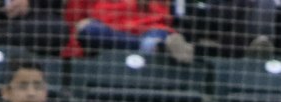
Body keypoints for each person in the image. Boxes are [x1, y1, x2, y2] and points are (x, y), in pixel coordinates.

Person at [63, 0, 198, 59]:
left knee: (162, 36)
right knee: (87, 30)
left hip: (151, 32)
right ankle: (151, 46)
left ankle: (153, 45)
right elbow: (74, 19)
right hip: (105, 35)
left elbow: (165, 17)